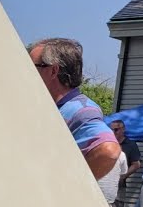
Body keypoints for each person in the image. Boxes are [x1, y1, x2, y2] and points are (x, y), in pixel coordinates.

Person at [28, 39, 121, 181]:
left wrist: (67, 186)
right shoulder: (53, 107)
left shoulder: (81, 111)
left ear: (53, 70)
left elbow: (108, 151)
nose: (26, 72)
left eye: (32, 66)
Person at [112, 120, 143, 207]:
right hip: (104, 180)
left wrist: (123, 176)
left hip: (119, 184)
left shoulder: (131, 145)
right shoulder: (108, 142)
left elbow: (136, 164)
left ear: (123, 129)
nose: (113, 132)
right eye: (111, 130)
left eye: (116, 130)